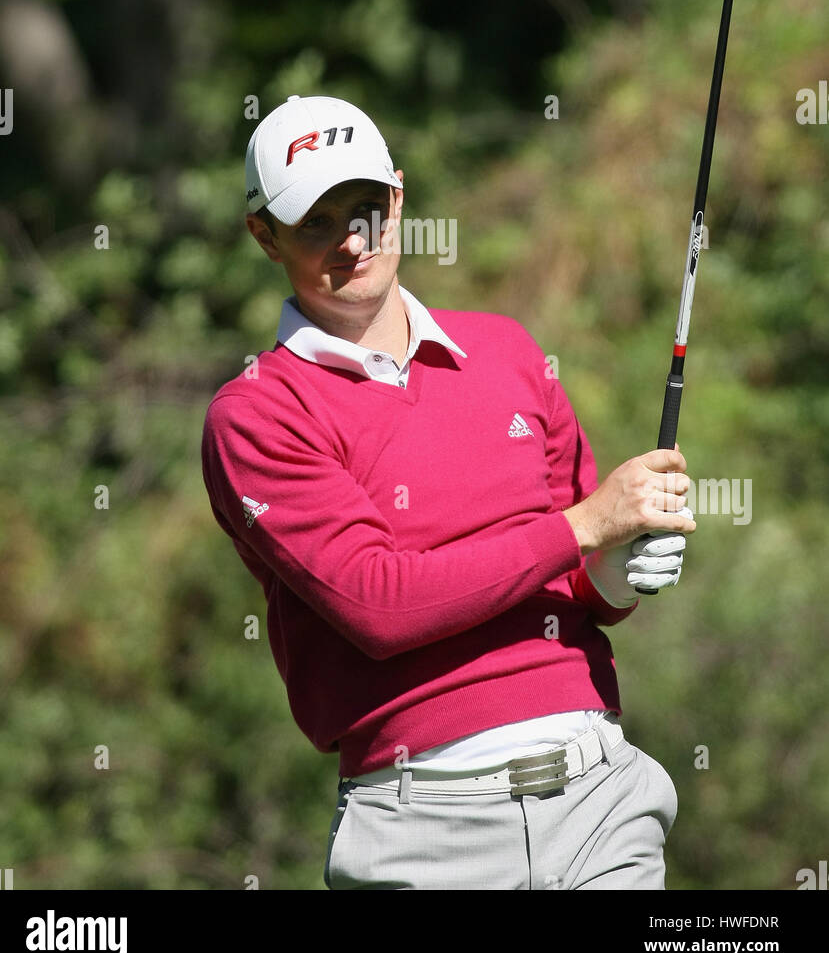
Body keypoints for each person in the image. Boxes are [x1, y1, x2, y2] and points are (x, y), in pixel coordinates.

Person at [200, 93, 697, 891]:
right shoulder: (256, 413)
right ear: (264, 235)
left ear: (397, 197)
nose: (351, 242)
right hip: (422, 828)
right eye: (315, 224)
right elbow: (378, 605)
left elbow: (575, 580)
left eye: (365, 209)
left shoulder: (506, 350)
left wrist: (620, 563)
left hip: (599, 793)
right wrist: (584, 526)